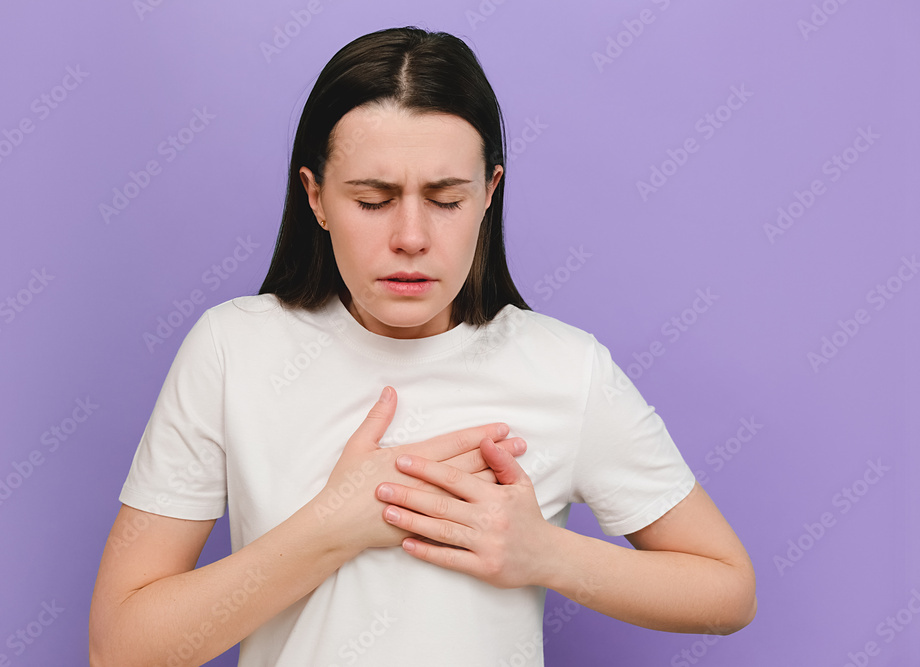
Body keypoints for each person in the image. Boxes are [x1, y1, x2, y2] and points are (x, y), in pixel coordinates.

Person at [88, 26, 756, 667]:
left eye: (445, 198)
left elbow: (727, 589)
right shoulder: (233, 348)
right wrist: (334, 525)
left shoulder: (565, 367)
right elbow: (120, 647)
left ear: (489, 192)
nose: (411, 235)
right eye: (373, 199)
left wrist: (544, 553)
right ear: (316, 197)